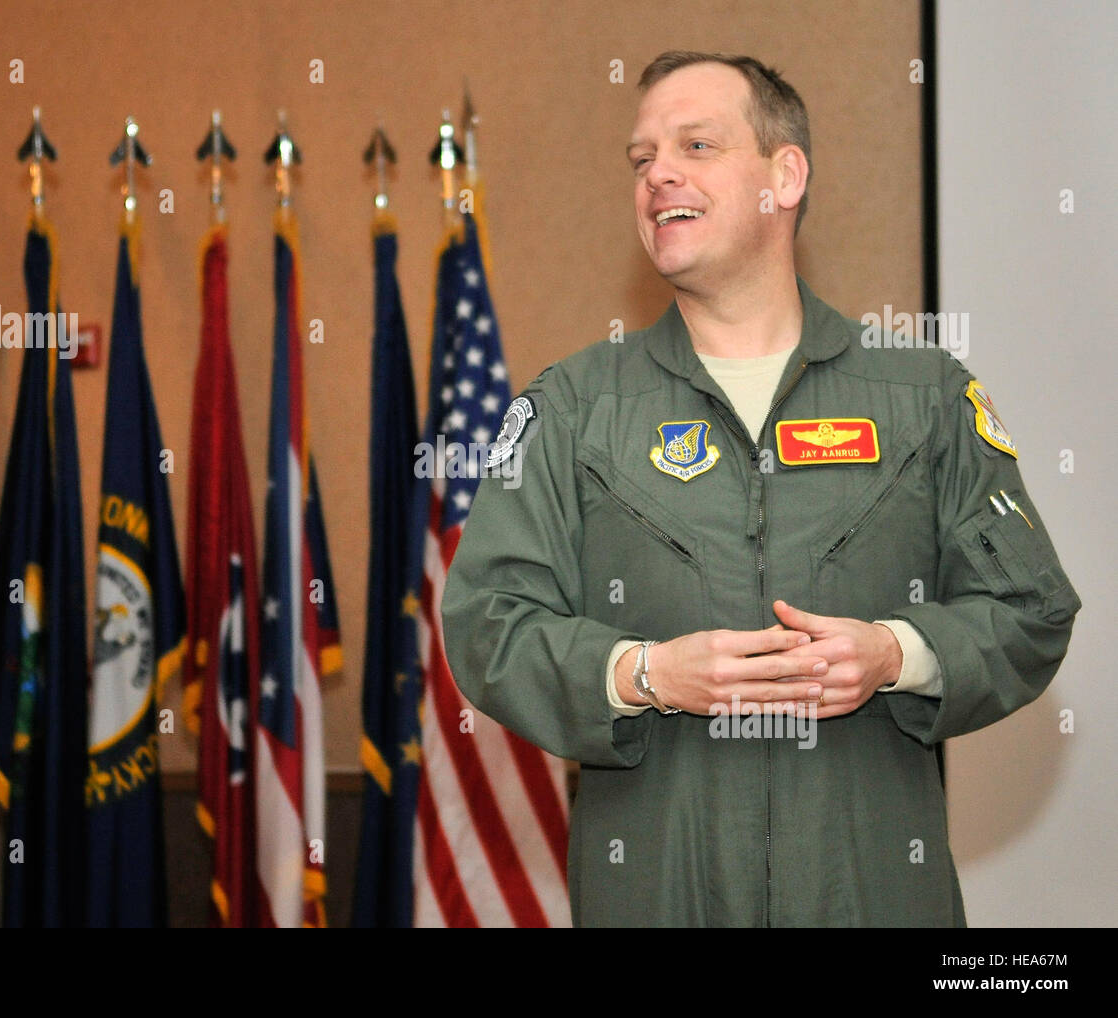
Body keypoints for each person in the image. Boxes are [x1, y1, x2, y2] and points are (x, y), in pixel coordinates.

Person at [439, 50, 1080, 927]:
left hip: (872, 895)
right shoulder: (575, 407)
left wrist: (896, 653)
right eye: (642, 159)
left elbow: (1031, 607)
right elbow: (488, 624)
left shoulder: (921, 395)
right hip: (657, 895)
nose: (658, 172)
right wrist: (647, 673)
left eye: (696, 145)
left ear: (785, 175)